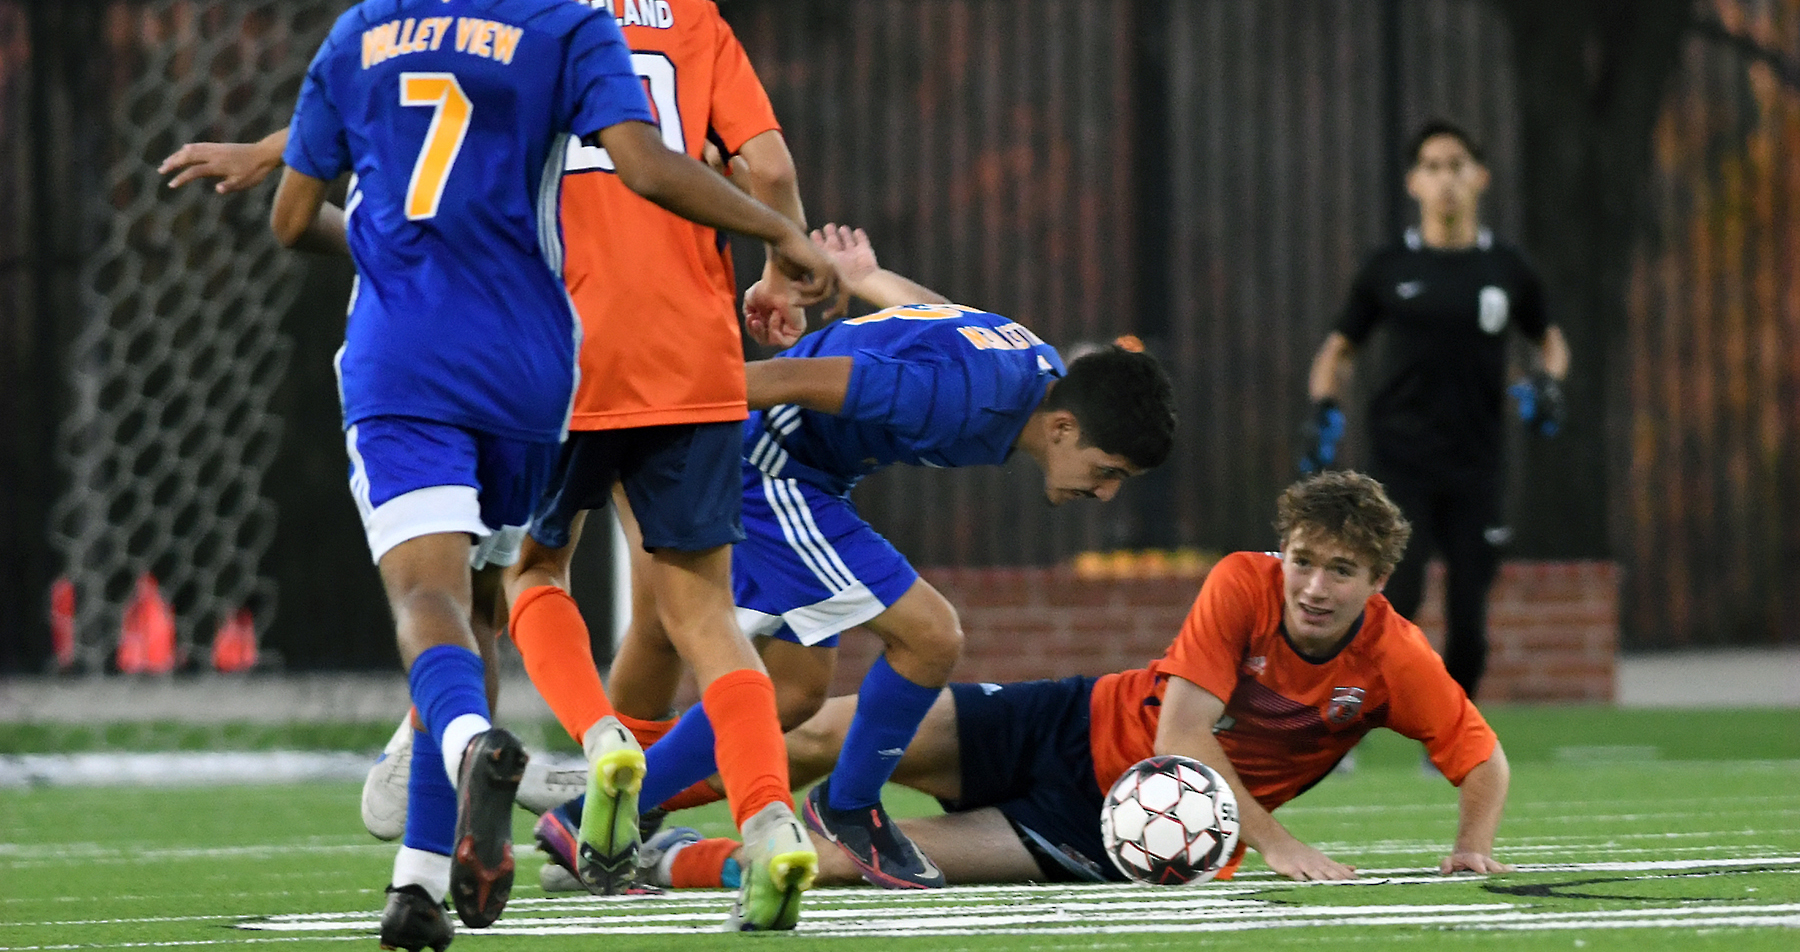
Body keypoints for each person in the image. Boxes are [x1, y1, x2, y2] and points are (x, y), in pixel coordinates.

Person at [267, 0, 836, 946]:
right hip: (574, 356)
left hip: (471, 351)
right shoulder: (581, 26)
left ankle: (548, 742)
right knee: (696, 611)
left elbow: (310, 200)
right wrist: (785, 241)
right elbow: (693, 164)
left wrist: (333, 203)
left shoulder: (362, 30)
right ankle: (763, 818)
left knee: (465, 599)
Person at [535, 224, 1179, 891]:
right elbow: (797, 377)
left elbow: (939, 315)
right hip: (768, 468)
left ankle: (587, 817)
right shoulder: (956, 396)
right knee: (931, 636)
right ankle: (848, 809)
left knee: (792, 694)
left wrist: (867, 279)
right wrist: (662, 404)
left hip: (800, 472)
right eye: (1109, 472)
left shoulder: (1042, 368)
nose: (1103, 493)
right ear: (1065, 427)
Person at [623, 471, 1514, 890]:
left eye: (1343, 572)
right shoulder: (1243, 583)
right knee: (819, 733)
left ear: (1378, 584)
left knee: (841, 865)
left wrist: (1473, 843)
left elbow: (1482, 759)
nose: (1315, 588)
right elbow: (1181, 739)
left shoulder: (1396, 658)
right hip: (1068, 717)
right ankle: (621, 799)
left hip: (1106, 829)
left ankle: (659, 864)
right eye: (1305, 562)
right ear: (1283, 555)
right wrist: (1281, 845)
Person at [1304, 119, 1570, 700]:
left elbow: (1550, 339)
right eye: (1432, 167)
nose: (1445, 179)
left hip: (1478, 462)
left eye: (1456, 166)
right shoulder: (1389, 267)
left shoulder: (1506, 267)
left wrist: (1549, 384)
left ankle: (1449, 729)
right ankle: (1342, 716)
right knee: (1395, 599)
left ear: (1479, 178)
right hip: (1401, 459)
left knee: (1471, 614)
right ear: (1413, 182)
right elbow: (1338, 348)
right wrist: (1322, 406)